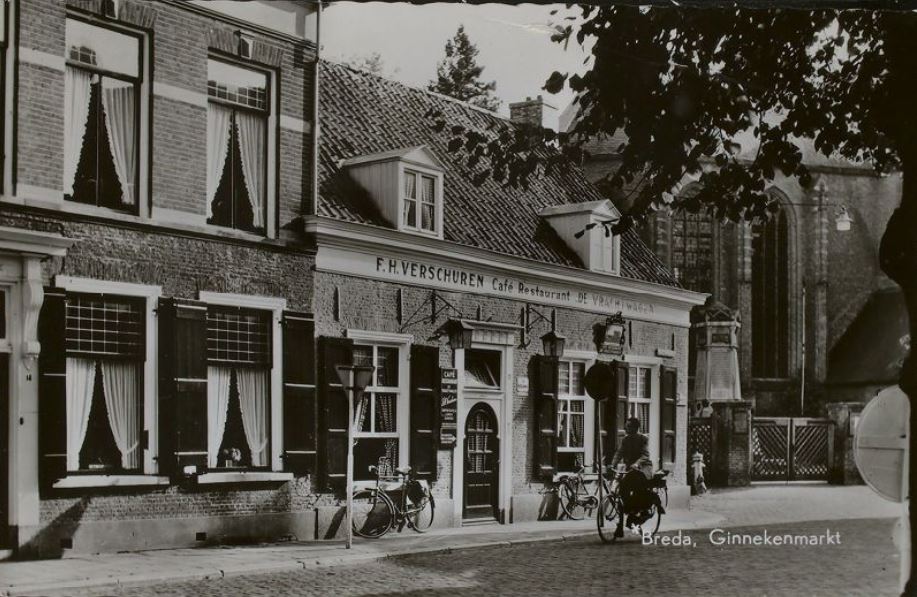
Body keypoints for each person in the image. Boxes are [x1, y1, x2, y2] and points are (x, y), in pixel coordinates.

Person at [609, 417, 662, 538]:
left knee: (639, 490)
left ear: (635, 428)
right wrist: (612, 464)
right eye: (626, 426)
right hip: (631, 470)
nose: (626, 428)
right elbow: (619, 453)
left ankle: (635, 512)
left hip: (643, 469)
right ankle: (620, 526)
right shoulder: (625, 440)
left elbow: (645, 454)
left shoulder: (643, 439)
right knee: (621, 491)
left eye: (628, 426)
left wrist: (637, 463)